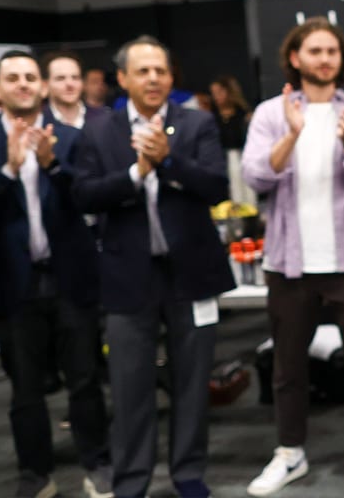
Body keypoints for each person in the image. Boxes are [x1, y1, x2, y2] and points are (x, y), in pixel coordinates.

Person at [73, 35, 235, 498]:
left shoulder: (197, 122)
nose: (153, 79)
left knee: (190, 384)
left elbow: (216, 187)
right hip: (127, 277)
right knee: (129, 388)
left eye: (160, 71)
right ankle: (131, 482)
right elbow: (83, 194)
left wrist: (168, 163)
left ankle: (188, 474)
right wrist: (135, 175)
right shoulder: (98, 130)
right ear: (122, 79)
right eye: (142, 71)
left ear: (171, 77)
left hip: (191, 273)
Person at [241, 17, 344, 496]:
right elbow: (255, 178)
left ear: (340, 59)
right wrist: (292, 133)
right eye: (315, 50)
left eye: (331, 51)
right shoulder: (271, 113)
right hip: (290, 261)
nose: (324, 58)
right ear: (295, 58)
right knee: (287, 366)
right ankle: (290, 453)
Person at [0, 50, 112, 498]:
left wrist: (51, 166)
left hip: (70, 279)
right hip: (11, 284)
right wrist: (7, 170)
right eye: (12, 78)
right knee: (25, 389)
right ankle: (35, 474)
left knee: (84, 380)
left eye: (29, 77)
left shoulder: (70, 137)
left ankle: (97, 462)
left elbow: (89, 199)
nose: (22, 84)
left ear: (42, 86)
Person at [209, 74, 256, 207]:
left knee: (248, 188)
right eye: (214, 93)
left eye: (219, 92)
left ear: (229, 92)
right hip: (225, 159)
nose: (216, 97)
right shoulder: (212, 118)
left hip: (243, 155)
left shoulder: (243, 114)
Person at [43, 52, 110, 130]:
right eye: (60, 78)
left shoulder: (104, 118)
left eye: (75, 77)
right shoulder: (38, 122)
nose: (70, 84)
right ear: (45, 85)